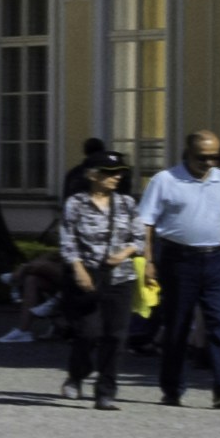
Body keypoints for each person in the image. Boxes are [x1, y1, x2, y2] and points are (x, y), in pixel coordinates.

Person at [135, 135, 220, 409]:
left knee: (218, 323)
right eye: (202, 157)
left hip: (217, 259)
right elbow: (146, 223)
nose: (208, 163)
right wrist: (149, 261)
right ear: (187, 152)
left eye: (214, 157)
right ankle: (172, 387)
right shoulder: (165, 180)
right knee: (177, 325)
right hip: (179, 260)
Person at [55, 155, 142, 408]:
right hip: (88, 276)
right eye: (109, 172)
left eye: (120, 172)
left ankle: (105, 391)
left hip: (120, 277)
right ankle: (77, 374)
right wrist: (78, 269)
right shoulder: (76, 204)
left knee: (116, 335)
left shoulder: (127, 203)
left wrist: (124, 254)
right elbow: (67, 241)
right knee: (89, 333)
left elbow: (139, 238)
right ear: (92, 175)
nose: (117, 177)